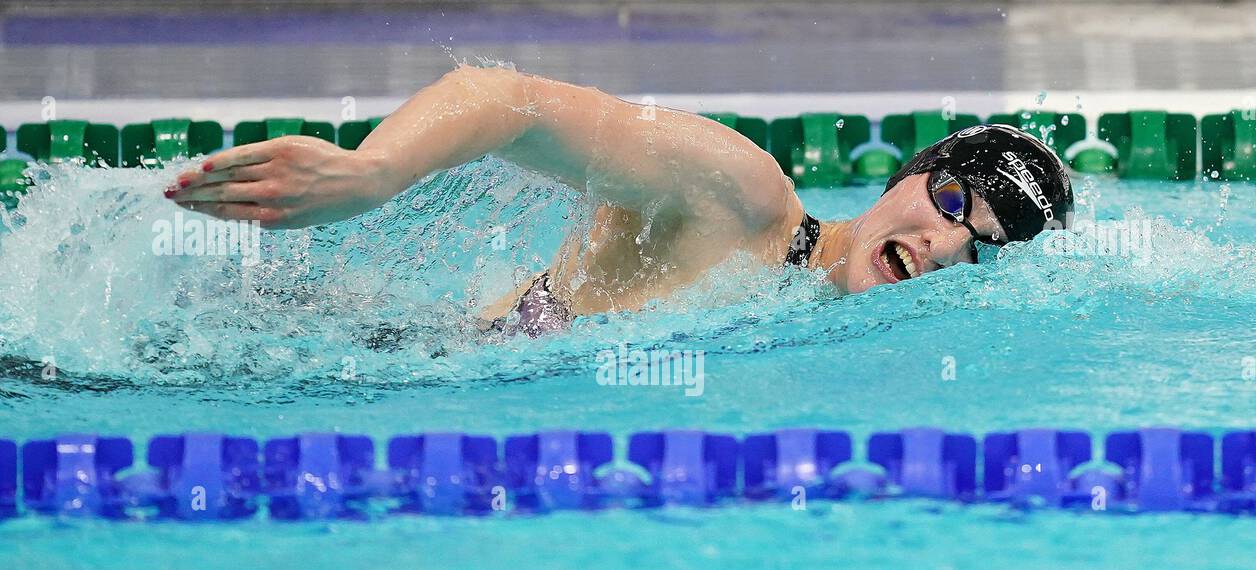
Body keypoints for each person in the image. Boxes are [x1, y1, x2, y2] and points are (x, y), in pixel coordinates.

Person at [166, 65, 1074, 337]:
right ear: (907, 176)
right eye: (953, 201)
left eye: (983, 248)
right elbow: (505, 98)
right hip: (339, 355)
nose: (947, 245)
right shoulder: (746, 198)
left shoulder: (840, 324)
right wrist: (371, 175)